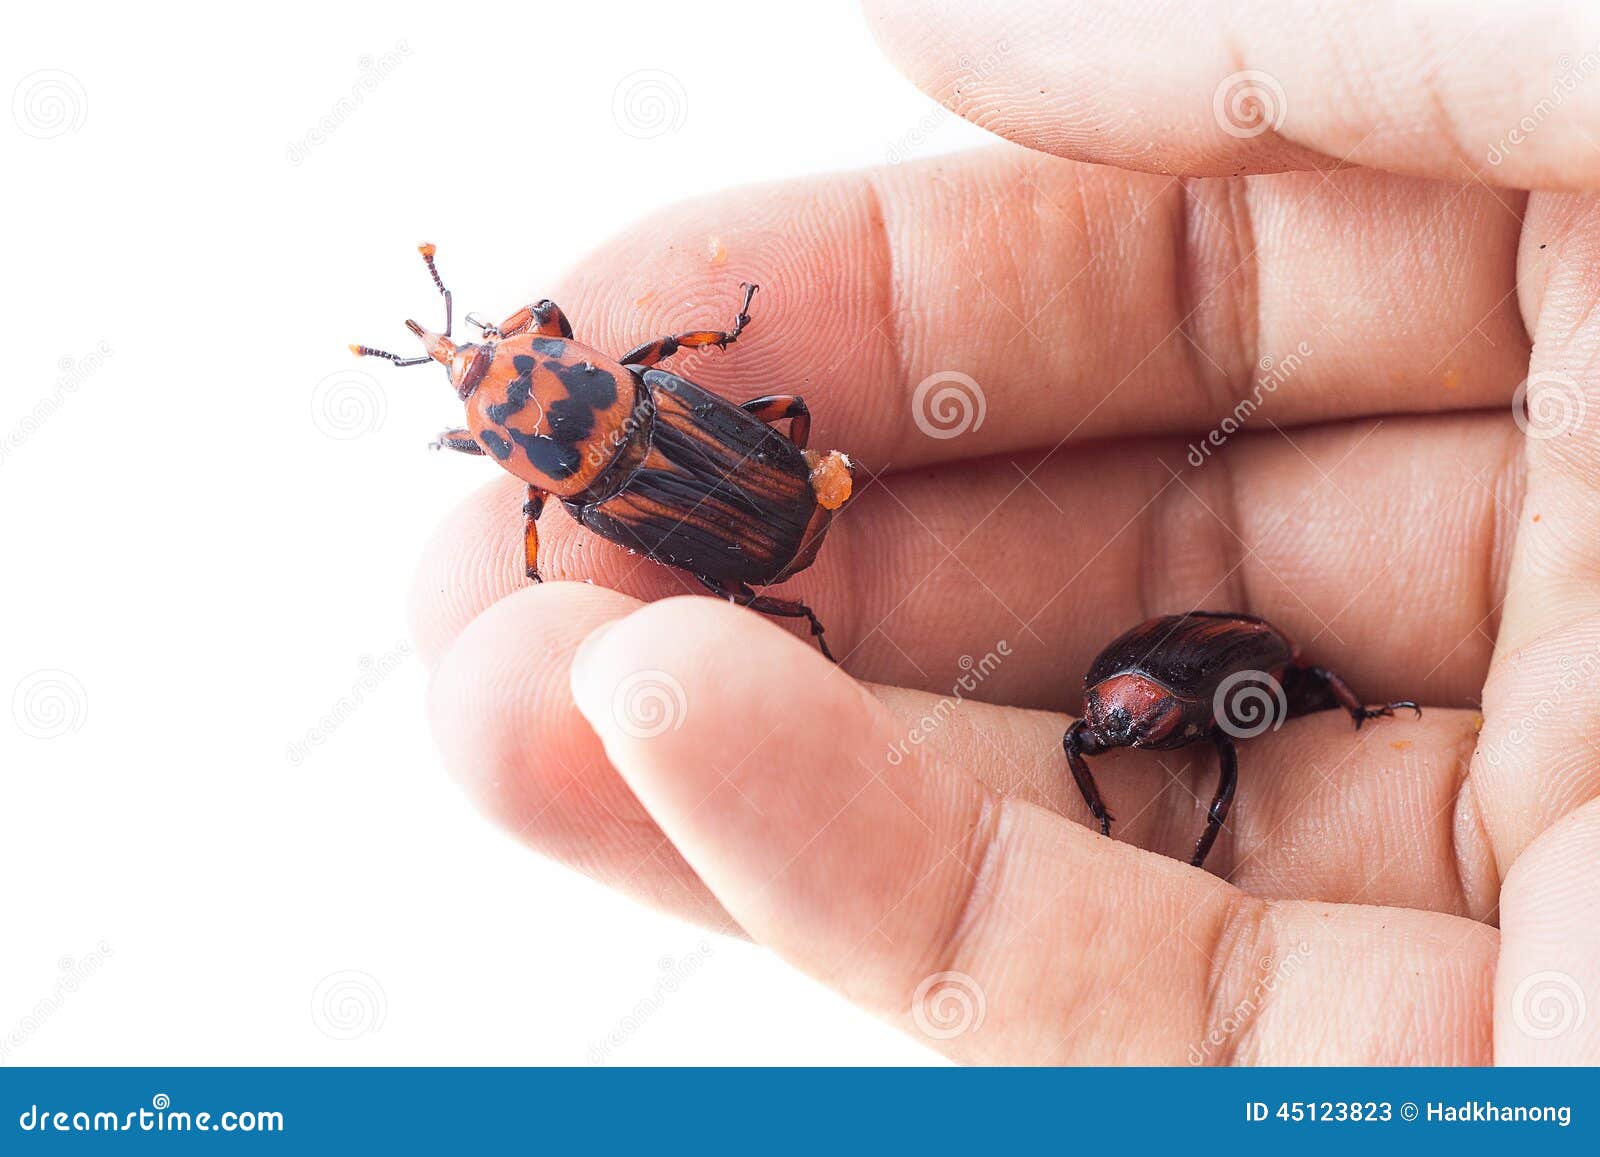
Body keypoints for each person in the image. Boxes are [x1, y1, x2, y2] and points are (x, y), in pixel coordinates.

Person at [412, 1, 1600, 1063]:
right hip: (739, 489)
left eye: (494, 358)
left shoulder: (575, 480)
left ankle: (784, 597)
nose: (492, 358)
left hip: (723, 512)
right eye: (482, 382)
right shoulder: (629, 395)